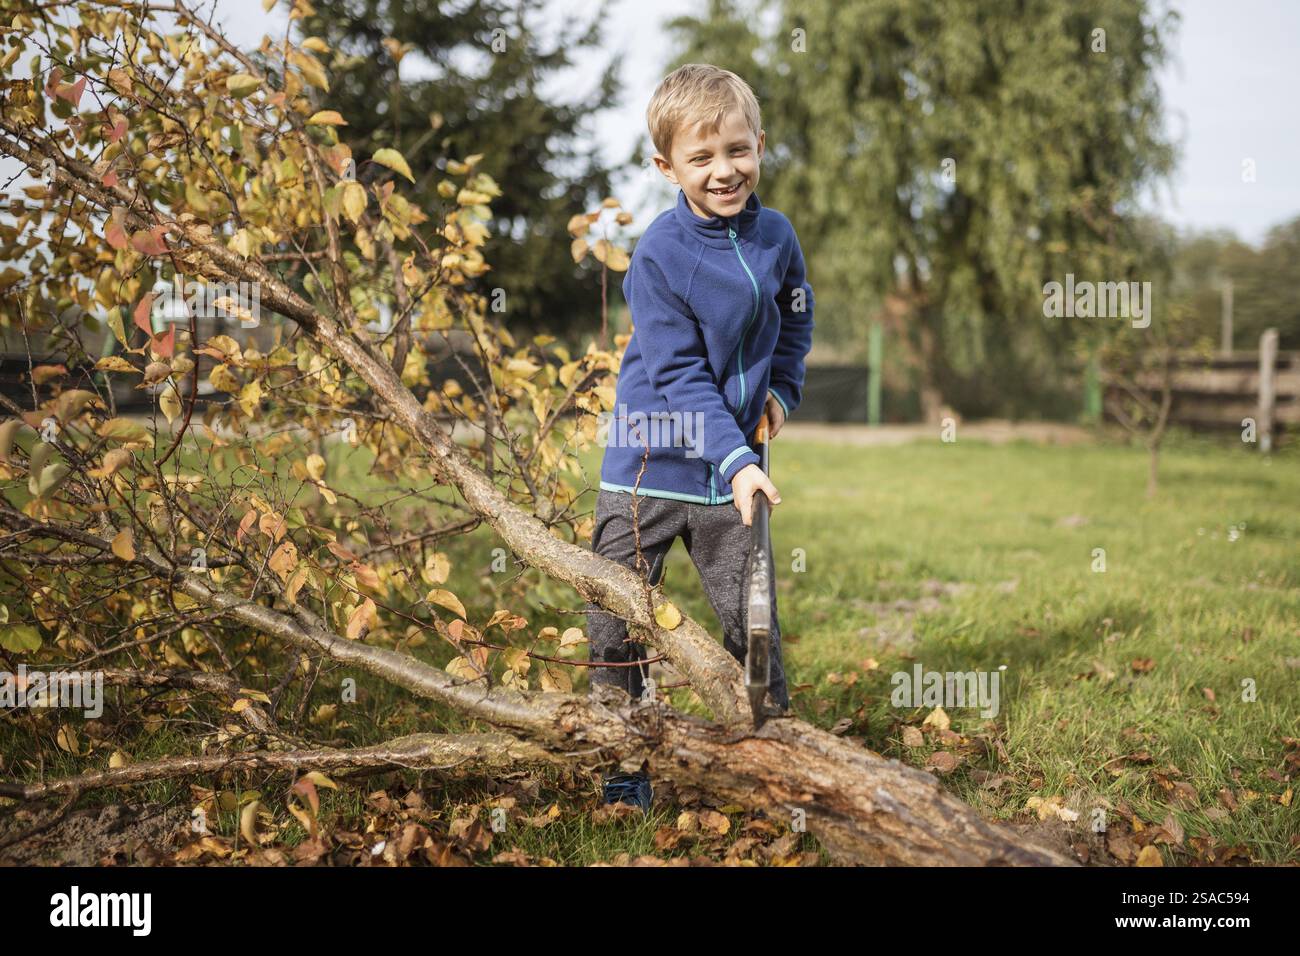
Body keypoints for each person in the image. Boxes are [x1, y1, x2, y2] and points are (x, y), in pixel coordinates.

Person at [585, 64, 815, 812]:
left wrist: (782, 388)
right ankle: (626, 770)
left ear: (760, 146)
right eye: (702, 157)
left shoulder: (777, 236)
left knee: (752, 626)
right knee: (616, 622)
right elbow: (680, 377)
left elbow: (799, 315)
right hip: (649, 464)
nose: (725, 171)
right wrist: (741, 459)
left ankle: (769, 763)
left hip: (731, 479)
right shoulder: (658, 255)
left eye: (739, 151)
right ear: (666, 167)